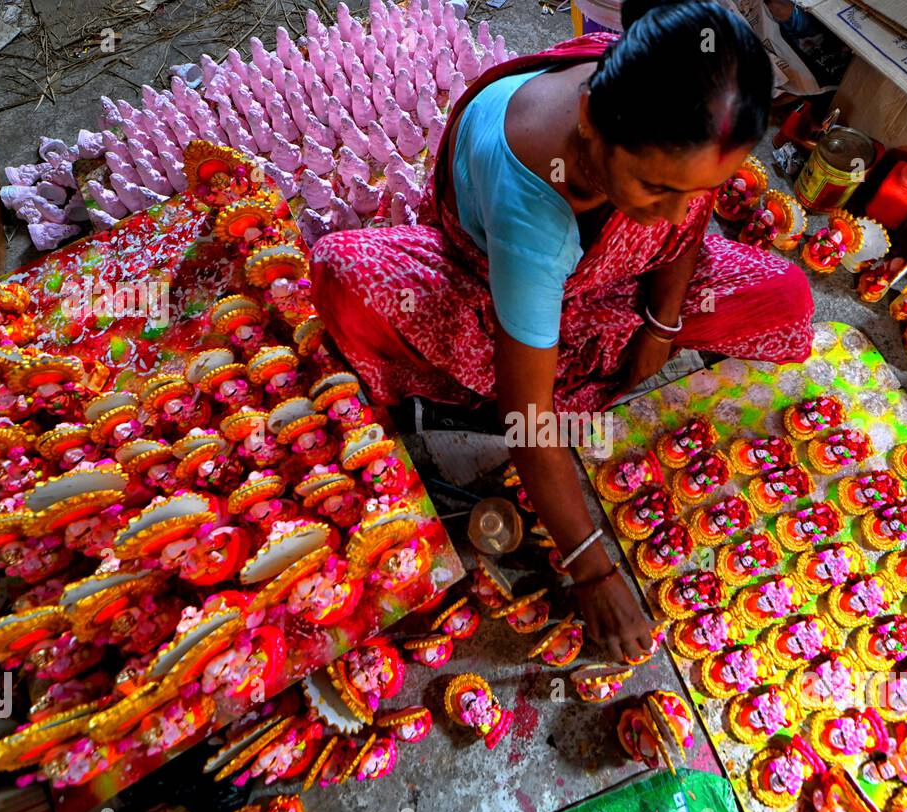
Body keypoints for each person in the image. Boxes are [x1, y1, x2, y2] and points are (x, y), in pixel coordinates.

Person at [312, 0, 814, 662]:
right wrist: (594, 568)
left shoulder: (639, 90)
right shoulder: (535, 208)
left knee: (785, 295)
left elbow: (686, 221)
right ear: (588, 123)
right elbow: (527, 419)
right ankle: (539, 366)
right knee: (349, 282)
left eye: (697, 189)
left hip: (606, 285)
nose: (674, 212)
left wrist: (661, 324)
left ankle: (574, 352)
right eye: (657, 187)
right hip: (491, 287)